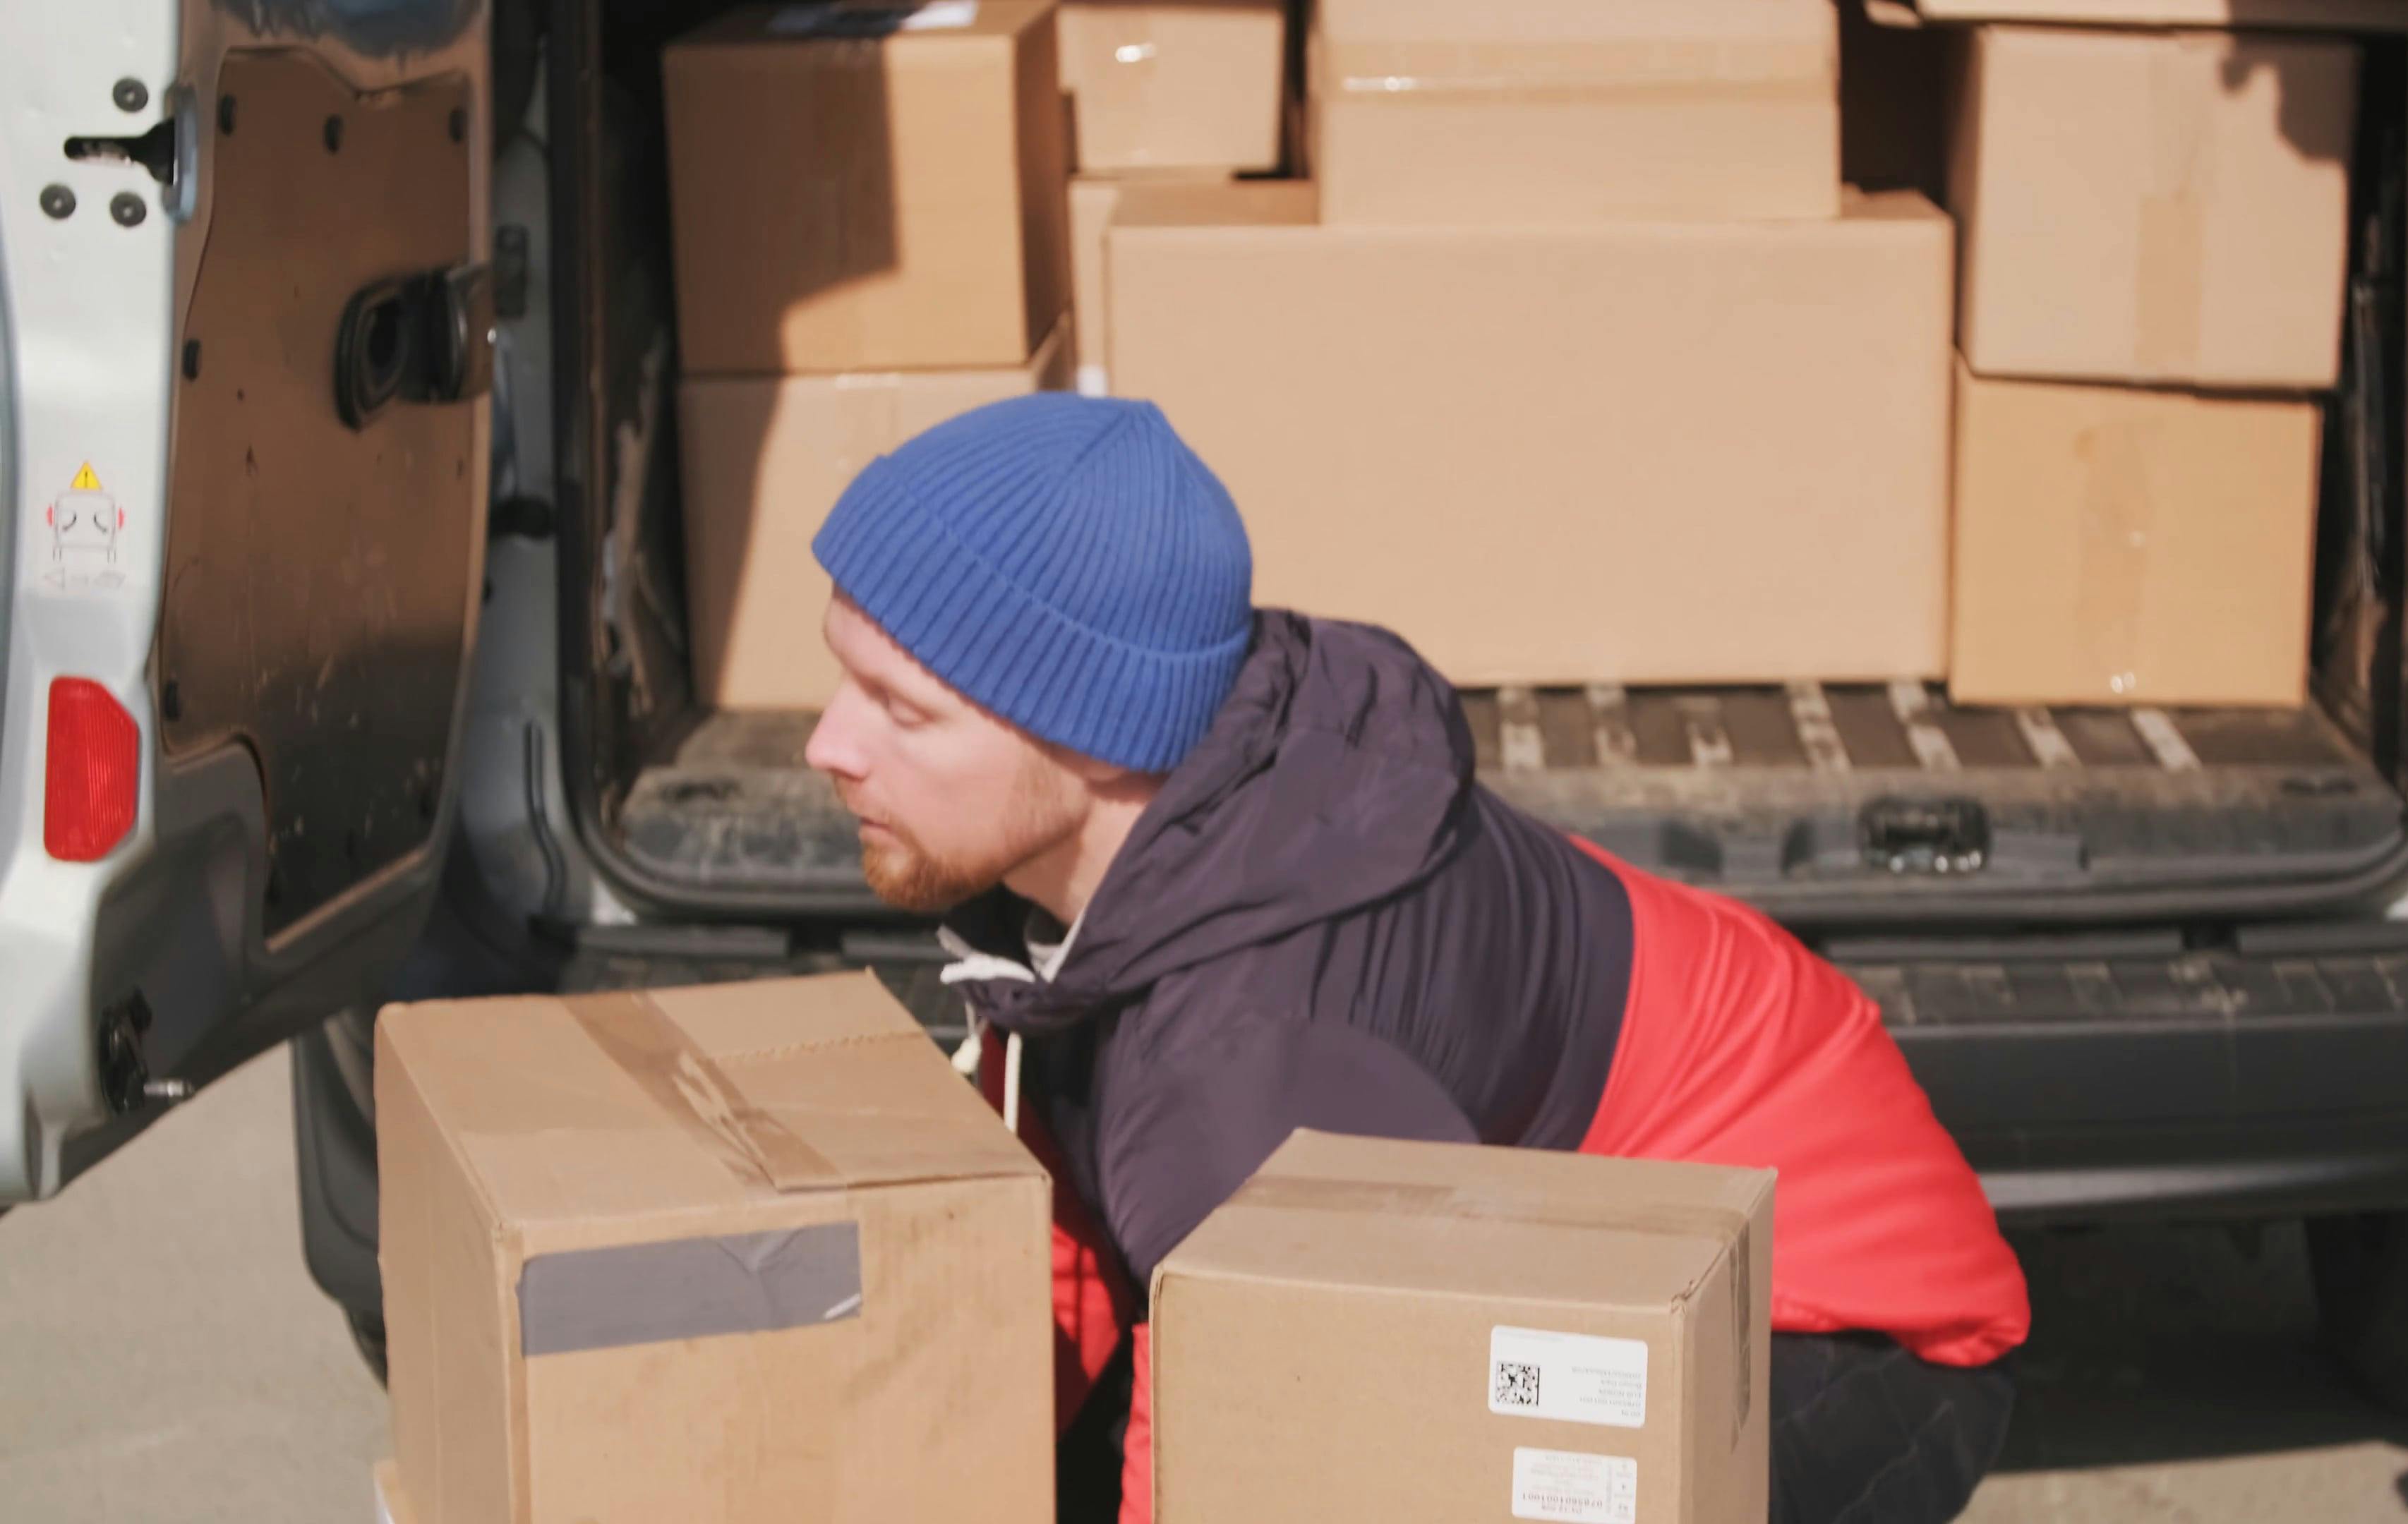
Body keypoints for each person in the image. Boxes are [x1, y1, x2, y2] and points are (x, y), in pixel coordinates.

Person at [803, 394, 2030, 1524]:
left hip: (1841, 1324)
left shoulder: (1243, 1076)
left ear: (1100, 734)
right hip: (1642, 1187)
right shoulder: (1185, 826)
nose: (825, 744)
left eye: (900, 710)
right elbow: (1050, 1240)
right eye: (840, 680)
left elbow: (1284, 1464)